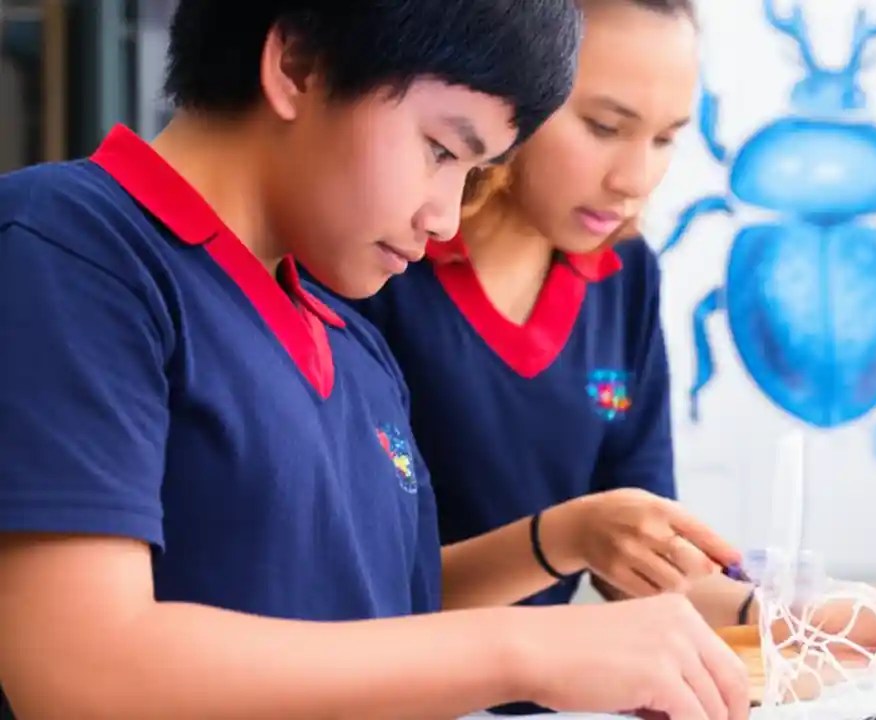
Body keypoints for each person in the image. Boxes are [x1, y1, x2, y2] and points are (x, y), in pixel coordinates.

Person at [0, 3, 751, 719]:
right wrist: (525, 647)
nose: (445, 216)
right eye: (441, 150)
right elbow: (81, 670)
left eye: (474, 171)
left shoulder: (353, 349)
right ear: (297, 65)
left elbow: (392, 623)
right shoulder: (71, 247)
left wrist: (558, 545)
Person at [354, 0, 876, 705]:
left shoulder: (624, 275)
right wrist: (566, 537)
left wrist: (793, 619)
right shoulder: (378, 267)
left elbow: (639, 562)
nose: (635, 178)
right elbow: (366, 595)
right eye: (604, 127)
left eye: (666, 139)